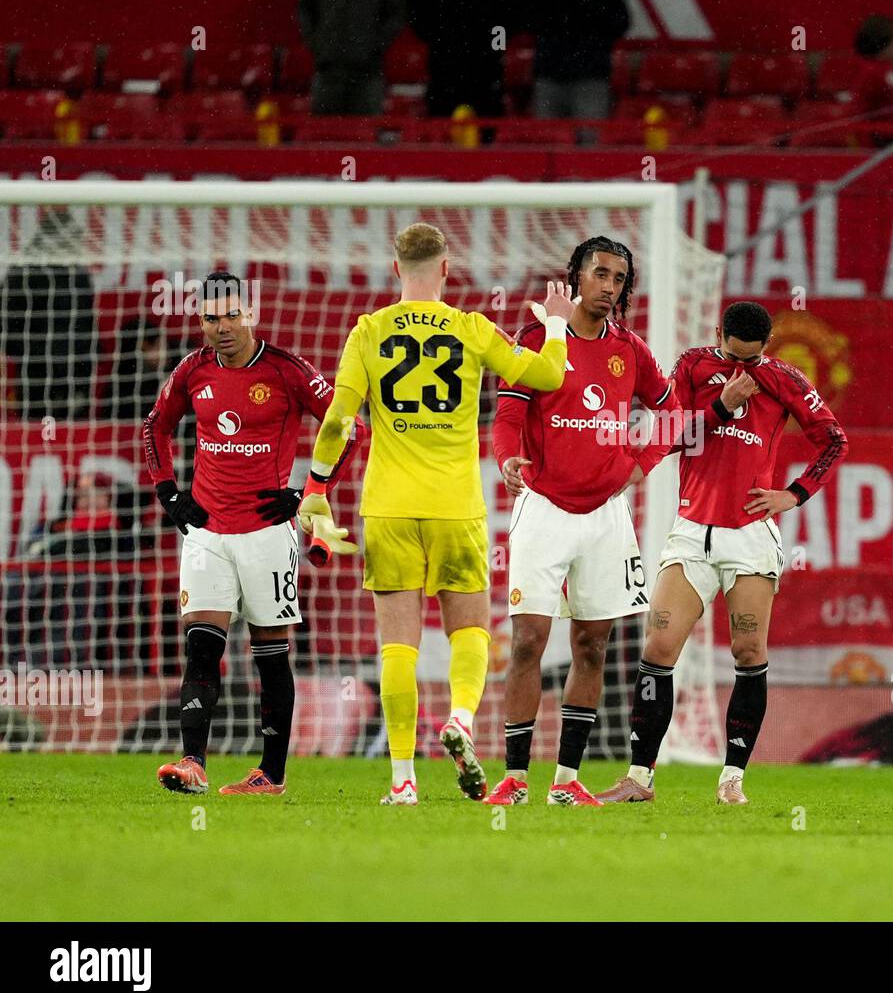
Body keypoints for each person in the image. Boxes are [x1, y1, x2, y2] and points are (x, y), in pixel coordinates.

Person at [298, 223, 575, 805]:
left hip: (390, 507)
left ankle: (402, 780)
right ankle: (463, 720)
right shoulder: (472, 329)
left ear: (396, 268)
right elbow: (549, 377)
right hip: (456, 505)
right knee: (469, 628)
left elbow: (336, 422)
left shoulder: (369, 331)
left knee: (398, 645)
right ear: (446, 269)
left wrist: (316, 490)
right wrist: (553, 323)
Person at [596, 301, 848, 805]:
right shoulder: (692, 366)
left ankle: (732, 780)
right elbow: (671, 434)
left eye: (752, 360)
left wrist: (792, 494)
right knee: (658, 648)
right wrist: (722, 404)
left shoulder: (786, 379)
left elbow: (834, 440)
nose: (743, 368)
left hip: (750, 537)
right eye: (734, 356)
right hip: (692, 532)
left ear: (767, 347)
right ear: (718, 335)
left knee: (749, 653)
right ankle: (639, 779)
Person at [144, 272, 364, 797]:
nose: (222, 326)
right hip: (207, 532)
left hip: (268, 533)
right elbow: (155, 425)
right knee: (201, 648)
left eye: (231, 314)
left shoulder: (287, 370)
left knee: (270, 654)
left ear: (251, 313)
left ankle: (271, 774)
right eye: (210, 317)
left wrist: (307, 491)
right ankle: (193, 762)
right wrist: (169, 493)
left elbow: (346, 427)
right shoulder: (192, 370)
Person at [486, 237, 683, 807]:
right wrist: (506, 460)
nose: (609, 286)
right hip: (544, 508)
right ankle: (516, 778)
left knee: (593, 646)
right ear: (575, 275)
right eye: (600, 273)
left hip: (606, 517)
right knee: (527, 641)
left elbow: (673, 415)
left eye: (619, 278)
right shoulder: (538, 339)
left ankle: (567, 782)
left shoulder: (632, 351)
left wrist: (641, 463)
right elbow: (507, 417)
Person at [406, 0, 526, 118]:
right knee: (441, 128)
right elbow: (417, 5)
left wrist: (495, 45)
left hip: (487, 66)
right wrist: (438, 40)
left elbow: (515, 10)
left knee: (486, 127)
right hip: (444, 64)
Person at [1, 209, 97, 420]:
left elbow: (87, 327)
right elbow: (8, 328)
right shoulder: (21, 274)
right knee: (35, 436)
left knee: (74, 438)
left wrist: (81, 374)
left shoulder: (78, 275)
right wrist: (39, 354)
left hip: (73, 374)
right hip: (34, 375)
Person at [298, 0, 403, 116]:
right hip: (328, 69)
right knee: (324, 137)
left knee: (366, 136)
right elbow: (306, 7)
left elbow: (396, 13)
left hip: (368, 71)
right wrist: (318, 43)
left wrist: (375, 46)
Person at [528, 0, 629, 124]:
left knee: (589, 144)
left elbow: (620, 22)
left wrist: (586, 16)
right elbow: (529, 20)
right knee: (546, 140)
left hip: (589, 75)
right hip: (551, 72)